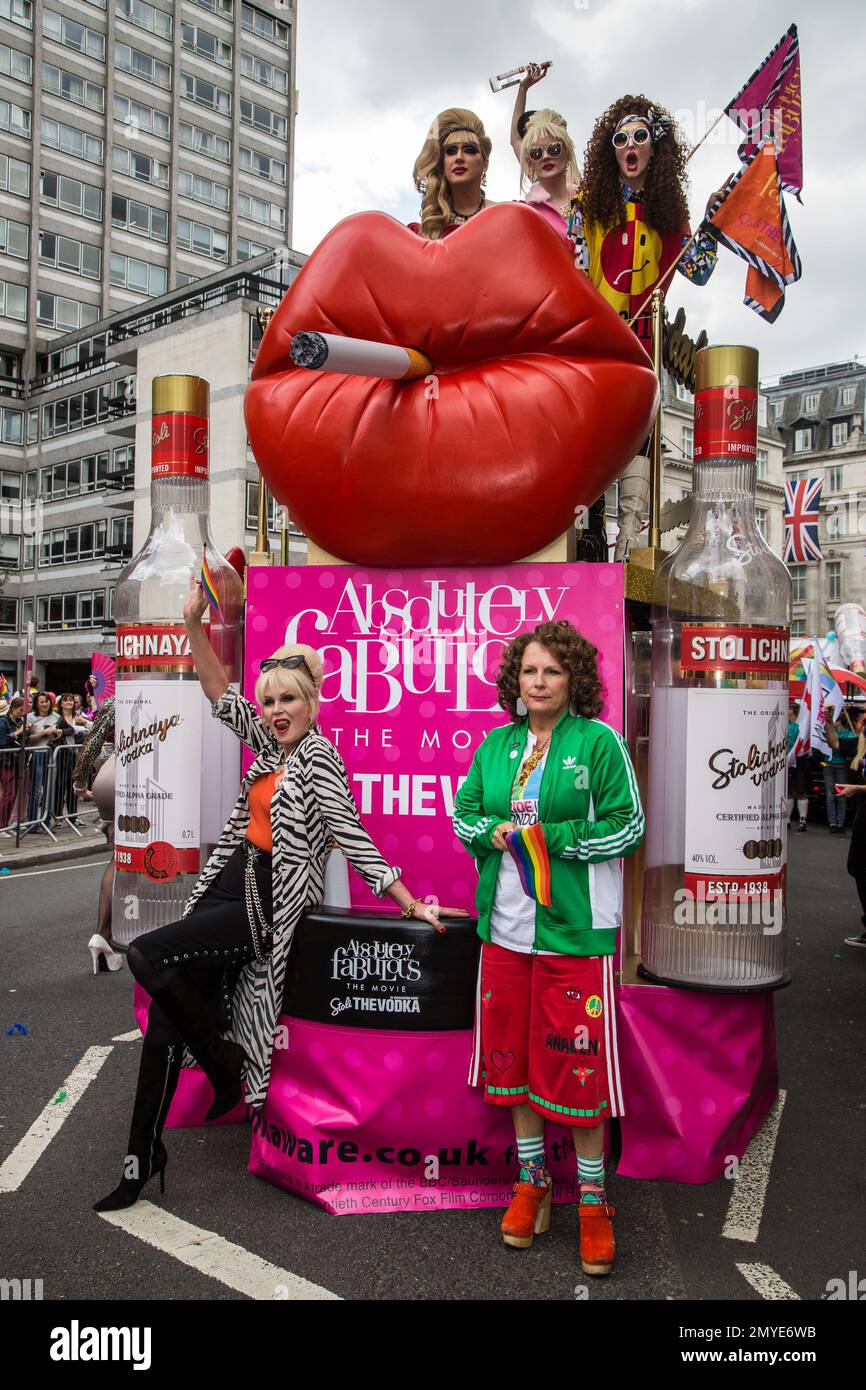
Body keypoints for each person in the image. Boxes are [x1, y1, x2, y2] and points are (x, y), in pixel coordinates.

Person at [94, 581, 469, 1212]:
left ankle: (222, 1062)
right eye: (269, 700)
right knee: (161, 1016)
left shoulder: (319, 758)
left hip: (263, 902)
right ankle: (141, 1156)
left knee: (147, 957)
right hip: (222, 884)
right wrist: (193, 625)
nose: (275, 708)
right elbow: (219, 694)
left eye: (287, 698)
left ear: (313, 702)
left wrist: (411, 902)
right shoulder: (268, 747)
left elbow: (354, 837)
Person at [453, 620, 644, 1275]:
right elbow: (463, 815)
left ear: (574, 681)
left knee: (577, 1068)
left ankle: (593, 1201)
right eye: (529, 672)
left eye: (552, 672)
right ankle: (532, 1184)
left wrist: (552, 839)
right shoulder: (496, 745)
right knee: (515, 1063)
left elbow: (629, 826)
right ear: (517, 679)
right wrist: (498, 831)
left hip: (576, 935)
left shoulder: (600, 743)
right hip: (504, 933)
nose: (538, 682)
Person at [573, 96, 721, 561]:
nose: (630, 146)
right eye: (621, 138)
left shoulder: (668, 214)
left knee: (639, 431)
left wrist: (713, 225)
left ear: (655, 149)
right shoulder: (588, 206)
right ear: (610, 151)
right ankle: (588, 527)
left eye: (639, 137)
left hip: (644, 342)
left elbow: (696, 270)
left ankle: (630, 537)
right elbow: (573, 267)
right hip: (598, 338)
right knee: (593, 431)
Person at [73, 700, 122, 974]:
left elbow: (93, 741)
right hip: (136, 774)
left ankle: (102, 936)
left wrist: (80, 780)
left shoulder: (118, 699)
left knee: (119, 856)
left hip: (107, 775)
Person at [410, 108, 495, 239]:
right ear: (442, 166)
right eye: (451, 151)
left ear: (485, 163)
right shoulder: (425, 232)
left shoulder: (504, 214)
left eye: (469, 149)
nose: (459, 157)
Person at [24, 691, 61, 833]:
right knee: (36, 790)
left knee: (49, 789)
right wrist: (43, 733)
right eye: (41, 701)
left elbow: (59, 736)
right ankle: (33, 823)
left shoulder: (56, 717)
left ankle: (45, 822)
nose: (44, 704)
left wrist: (56, 734)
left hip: (51, 755)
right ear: (36, 704)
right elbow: (27, 739)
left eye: (46, 701)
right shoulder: (30, 717)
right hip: (36, 755)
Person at [0, 696, 24, 830]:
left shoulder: (19, 721)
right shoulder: (3, 722)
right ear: (13, 708)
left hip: (14, 761)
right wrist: (18, 732)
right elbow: (2, 741)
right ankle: (2, 825)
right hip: (5, 761)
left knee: (12, 794)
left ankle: (6, 824)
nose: (22, 713)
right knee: (8, 794)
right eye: (21, 710)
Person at [787, 702, 810, 832]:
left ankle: (802, 820)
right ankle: (787, 819)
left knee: (801, 790)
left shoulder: (803, 726)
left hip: (800, 761)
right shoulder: (785, 724)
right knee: (788, 791)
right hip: (787, 761)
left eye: (789, 708)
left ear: (792, 710)